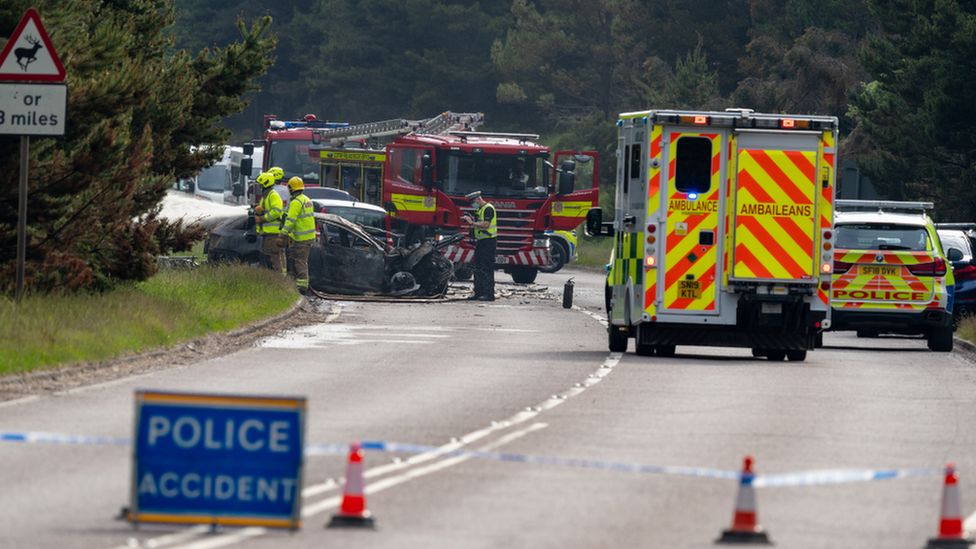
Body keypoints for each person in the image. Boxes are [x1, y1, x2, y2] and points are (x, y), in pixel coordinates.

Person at [461, 191, 497, 301]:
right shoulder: (480, 209)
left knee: (486, 267)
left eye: (473, 202)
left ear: (478, 199)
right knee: (478, 267)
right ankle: (478, 292)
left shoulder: (488, 208)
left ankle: (488, 294)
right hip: (481, 241)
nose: (473, 205)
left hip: (488, 241)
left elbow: (486, 224)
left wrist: (472, 223)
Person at [283, 176, 316, 293]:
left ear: (291, 189)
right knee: (297, 260)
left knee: (299, 262)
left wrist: (283, 233)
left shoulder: (296, 202)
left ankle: (302, 288)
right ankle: (294, 286)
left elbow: (291, 220)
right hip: (308, 238)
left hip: (301, 239)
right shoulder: (307, 200)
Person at [253, 171, 285, 273]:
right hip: (268, 233)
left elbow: (276, 211)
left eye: (260, 185)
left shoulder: (273, 195)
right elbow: (266, 209)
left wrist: (262, 218)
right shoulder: (266, 196)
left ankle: (279, 279)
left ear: (266, 184)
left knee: (273, 258)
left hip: (273, 233)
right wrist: (259, 209)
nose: (259, 187)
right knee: (268, 258)